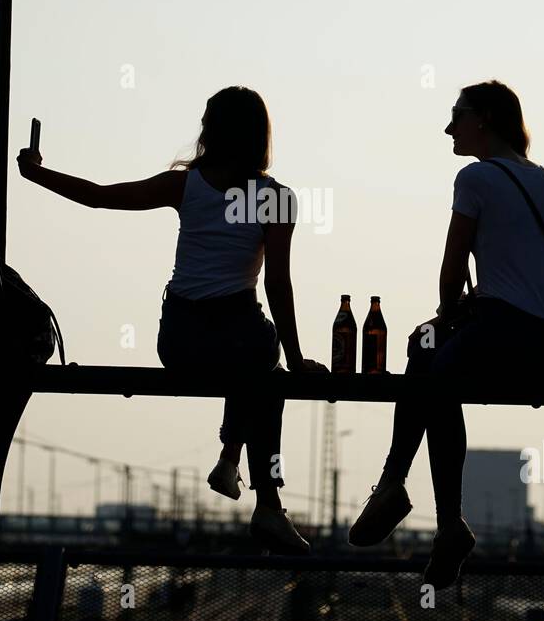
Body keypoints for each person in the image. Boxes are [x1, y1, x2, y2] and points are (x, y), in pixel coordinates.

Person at [17, 85, 326, 554]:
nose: (200, 129)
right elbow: (277, 285)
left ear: (216, 131)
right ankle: (257, 492)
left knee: (257, 362)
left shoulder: (184, 184)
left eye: (207, 121)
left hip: (179, 340)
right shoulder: (277, 197)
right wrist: (299, 357)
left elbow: (101, 197)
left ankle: (236, 468)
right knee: (268, 366)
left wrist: (38, 175)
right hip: (241, 338)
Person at [348, 79, 544, 587]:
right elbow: (522, 268)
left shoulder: (474, 177)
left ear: (484, 119)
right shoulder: (542, 179)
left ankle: (416, 501)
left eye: (458, 113)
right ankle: (415, 504)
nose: (449, 125)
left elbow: (452, 267)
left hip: (507, 330)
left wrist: (448, 315)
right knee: (427, 351)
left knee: (434, 364)